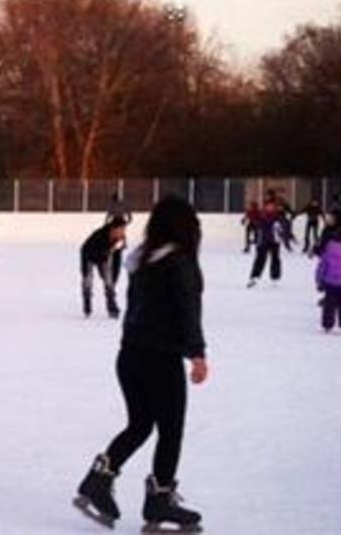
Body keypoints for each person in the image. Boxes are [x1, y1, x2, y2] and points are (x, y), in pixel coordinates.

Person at [73, 195, 207, 532]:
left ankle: (99, 480)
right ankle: (160, 499)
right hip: (160, 360)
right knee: (170, 430)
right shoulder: (179, 260)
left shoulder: (142, 259)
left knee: (141, 424)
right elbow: (188, 310)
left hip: (129, 356)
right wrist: (197, 353)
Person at [80, 218, 128, 319]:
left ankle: (112, 306)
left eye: (124, 229)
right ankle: (87, 302)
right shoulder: (99, 235)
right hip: (88, 254)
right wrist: (86, 271)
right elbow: (89, 252)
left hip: (103, 257)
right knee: (88, 279)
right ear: (113, 229)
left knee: (109, 281)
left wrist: (113, 277)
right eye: (121, 229)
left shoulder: (120, 239)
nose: (123, 232)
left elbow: (117, 259)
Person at [248, 201, 285, 287]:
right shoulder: (261, 216)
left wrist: (283, 235)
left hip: (274, 241)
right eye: (268, 206)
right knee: (260, 259)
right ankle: (255, 277)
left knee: (275, 259)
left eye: (272, 206)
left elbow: (282, 228)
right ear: (265, 207)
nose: (270, 208)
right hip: (263, 241)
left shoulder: (277, 217)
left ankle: (275, 278)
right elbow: (254, 220)